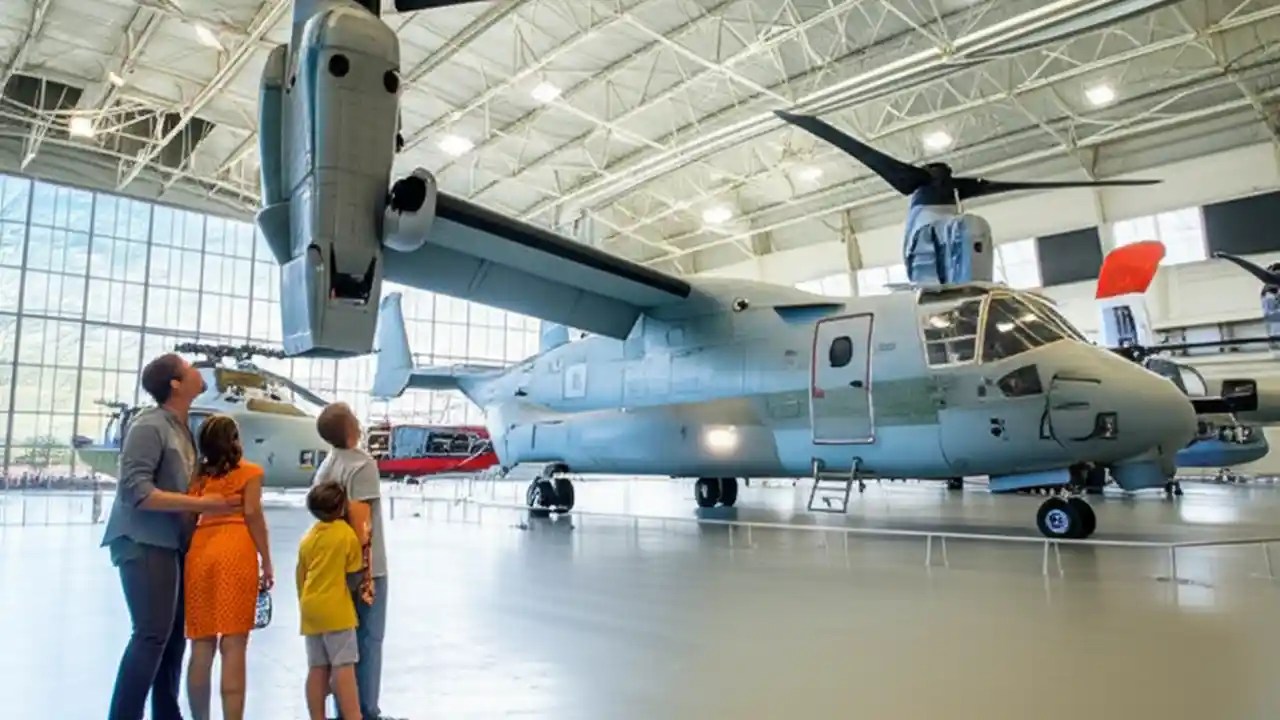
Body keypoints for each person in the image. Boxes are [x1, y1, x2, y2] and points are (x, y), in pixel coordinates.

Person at [104, 353, 241, 720]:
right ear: (176, 384)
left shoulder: (180, 428)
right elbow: (136, 490)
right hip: (143, 543)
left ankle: (167, 714)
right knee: (150, 635)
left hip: (172, 545)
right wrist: (207, 505)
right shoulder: (149, 426)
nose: (199, 371)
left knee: (173, 638)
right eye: (189, 368)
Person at [184, 415, 273, 720]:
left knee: (201, 644)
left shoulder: (197, 479)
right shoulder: (251, 473)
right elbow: (252, 514)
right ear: (234, 440)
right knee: (234, 643)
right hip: (237, 552)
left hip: (201, 552)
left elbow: (188, 516)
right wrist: (267, 560)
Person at [313, 402, 396, 720]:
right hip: (365, 567)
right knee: (369, 640)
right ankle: (366, 711)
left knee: (342, 645)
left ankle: (344, 711)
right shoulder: (362, 465)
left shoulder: (327, 465)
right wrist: (366, 574)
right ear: (351, 429)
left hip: (333, 566)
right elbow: (362, 521)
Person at [297, 481, 365, 720]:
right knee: (343, 667)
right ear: (341, 507)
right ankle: (353, 715)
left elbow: (301, 576)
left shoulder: (308, 539)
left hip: (310, 610)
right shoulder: (346, 535)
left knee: (316, 667)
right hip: (337, 611)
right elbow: (355, 572)